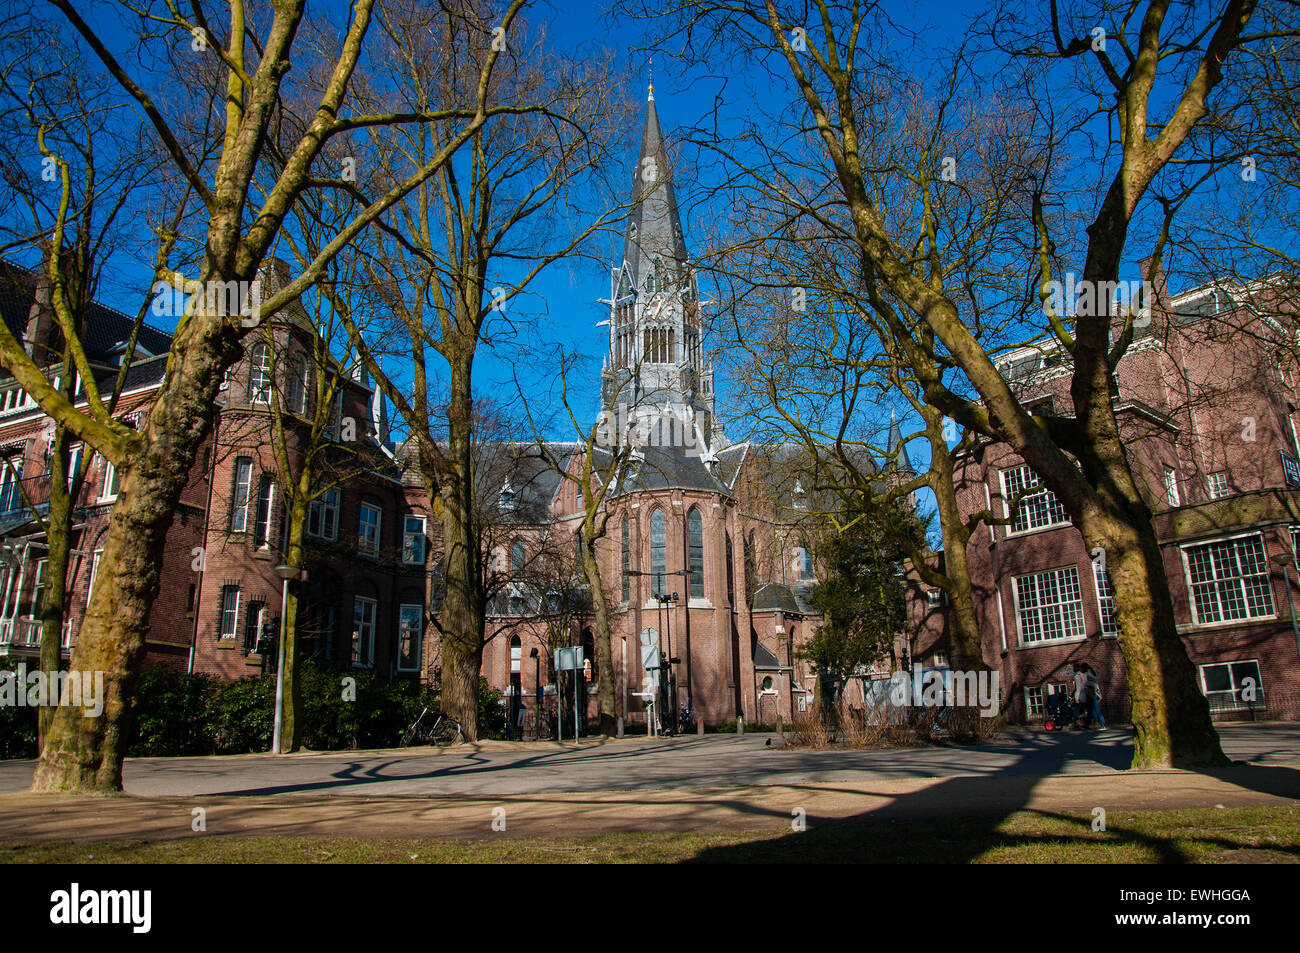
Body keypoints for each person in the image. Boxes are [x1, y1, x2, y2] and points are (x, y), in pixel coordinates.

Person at [1073, 663, 1092, 730]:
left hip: (1080, 695)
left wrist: (1076, 697)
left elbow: (1078, 687)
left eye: (1074, 668)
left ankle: (1076, 723)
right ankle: (1086, 724)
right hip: (1084, 695)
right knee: (1085, 710)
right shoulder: (1084, 675)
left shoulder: (1077, 676)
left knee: (1077, 710)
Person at [1087, 664, 1106, 730]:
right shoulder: (1093, 677)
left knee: (1097, 711)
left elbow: (1090, 687)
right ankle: (1097, 723)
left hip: (1093, 695)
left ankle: (1102, 724)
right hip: (1094, 695)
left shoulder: (1089, 676)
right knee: (1094, 711)